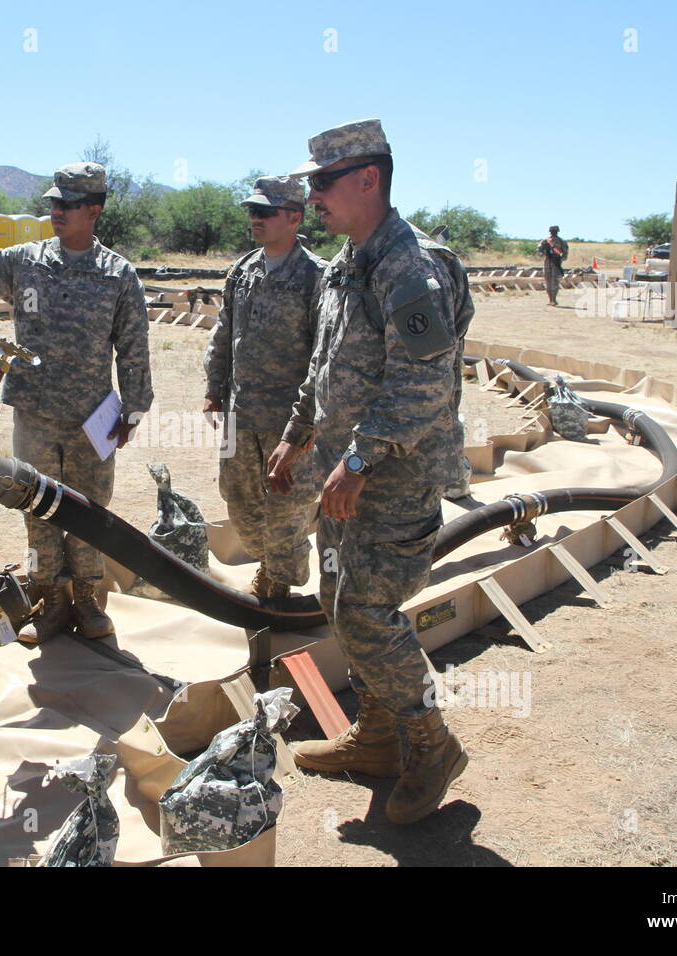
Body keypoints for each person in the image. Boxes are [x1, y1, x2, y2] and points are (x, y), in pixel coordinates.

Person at [266, 119, 474, 825]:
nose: (311, 196)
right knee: (339, 601)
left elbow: (424, 384)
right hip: (341, 475)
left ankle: (431, 744)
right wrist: (298, 436)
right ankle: (380, 738)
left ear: (368, 179)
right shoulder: (347, 264)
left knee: (367, 613)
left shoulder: (411, 266)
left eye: (321, 183)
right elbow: (326, 371)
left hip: (394, 476)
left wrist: (358, 458)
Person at [0, 162, 153, 643]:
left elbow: (134, 347)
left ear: (94, 210)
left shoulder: (118, 274)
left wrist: (134, 408)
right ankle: (50, 600)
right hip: (34, 414)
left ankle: (88, 601)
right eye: (53, 203)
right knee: (36, 510)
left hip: (93, 418)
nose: (56, 211)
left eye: (68, 204)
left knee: (91, 511)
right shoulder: (27, 261)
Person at [202, 176, 326, 602]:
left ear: (294, 217)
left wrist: (305, 427)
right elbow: (224, 332)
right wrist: (214, 387)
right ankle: (269, 567)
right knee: (239, 502)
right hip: (241, 415)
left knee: (287, 510)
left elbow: (324, 357)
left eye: (265, 212)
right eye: (252, 211)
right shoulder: (244, 269)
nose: (255, 218)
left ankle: (280, 589)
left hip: (288, 424)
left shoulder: (317, 277)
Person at [538, 225, 569, 306]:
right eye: (552, 230)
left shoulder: (561, 241)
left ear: (557, 231)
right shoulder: (545, 241)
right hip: (547, 262)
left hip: (556, 263)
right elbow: (539, 250)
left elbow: (565, 253)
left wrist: (560, 260)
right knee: (548, 281)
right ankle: (550, 300)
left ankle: (554, 300)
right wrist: (542, 253)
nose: (553, 232)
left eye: (554, 230)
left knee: (555, 281)